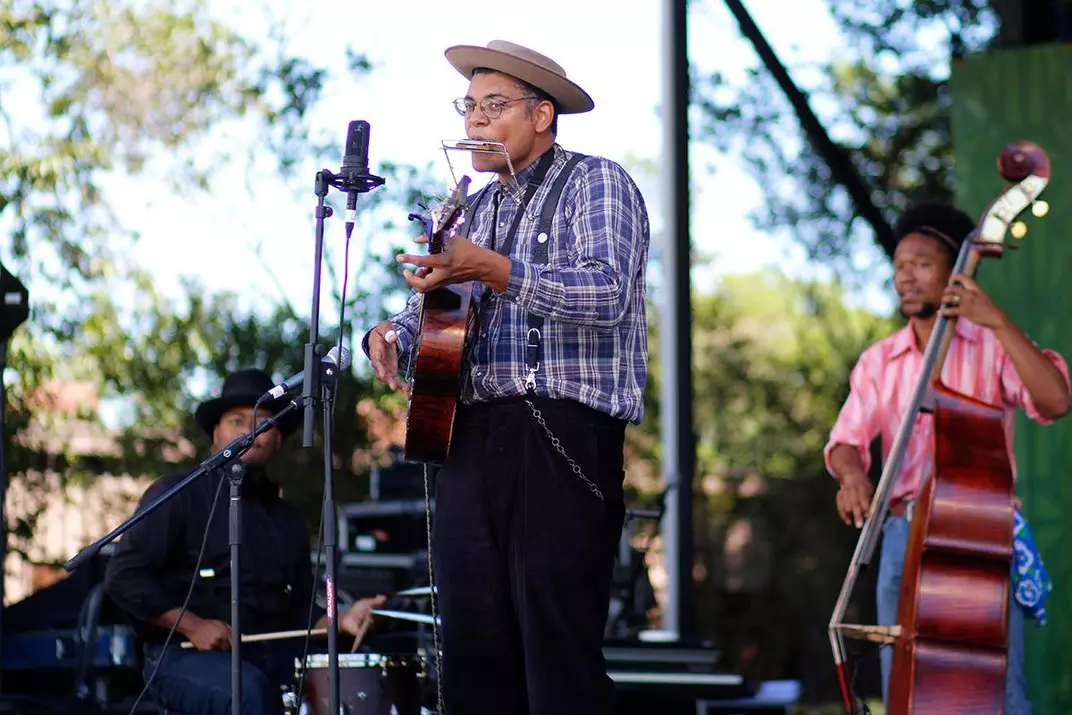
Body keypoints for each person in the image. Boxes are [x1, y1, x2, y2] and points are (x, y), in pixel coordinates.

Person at [363, 39, 650, 715]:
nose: (475, 125)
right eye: (469, 108)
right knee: (473, 643)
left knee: (556, 645)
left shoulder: (597, 181)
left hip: (561, 435)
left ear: (542, 114)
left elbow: (607, 293)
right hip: (467, 437)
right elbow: (432, 314)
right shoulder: (462, 209)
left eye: (494, 107)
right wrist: (389, 335)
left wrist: (490, 267)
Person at [824, 202, 1071, 713]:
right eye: (898, 266)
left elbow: (1055, 401)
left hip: (980, 533)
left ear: (956, 269)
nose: (904, 277)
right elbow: (847, 439)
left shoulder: (991, 344)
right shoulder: (879, 360)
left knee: (997, 688)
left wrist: (999, 322)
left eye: (920, 264)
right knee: (906, 688)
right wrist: (851, 475)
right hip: (902, 535)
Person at [104, 368, 387, 715]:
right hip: (180, 655)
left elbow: (301, 612)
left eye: (264, 422)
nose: (251, 430)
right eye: (237, 420)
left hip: (270, 657)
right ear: (216, 434)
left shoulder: (287, 522)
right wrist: (194, 626)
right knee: (250, 693)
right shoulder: (177, 495)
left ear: (278, 439)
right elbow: (123, 576)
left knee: (347, 681)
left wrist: (341, 617)